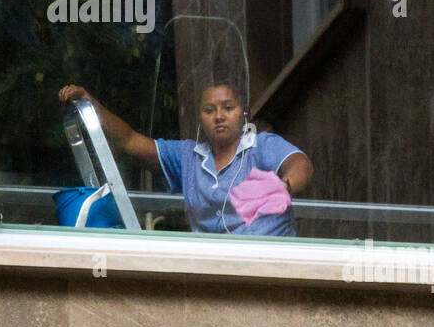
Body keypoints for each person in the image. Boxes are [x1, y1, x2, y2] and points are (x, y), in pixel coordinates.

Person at [57, 81, 313, 236]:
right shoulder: (187, 156)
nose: (219, 116)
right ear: (200, 117)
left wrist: (282, 186)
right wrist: (91, 105)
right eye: (209, 110)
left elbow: (301, 164)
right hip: (211, 271)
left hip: (267, 266)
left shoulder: (261, 145)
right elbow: (129, 140)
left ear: (243, 114)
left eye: (228, 108)